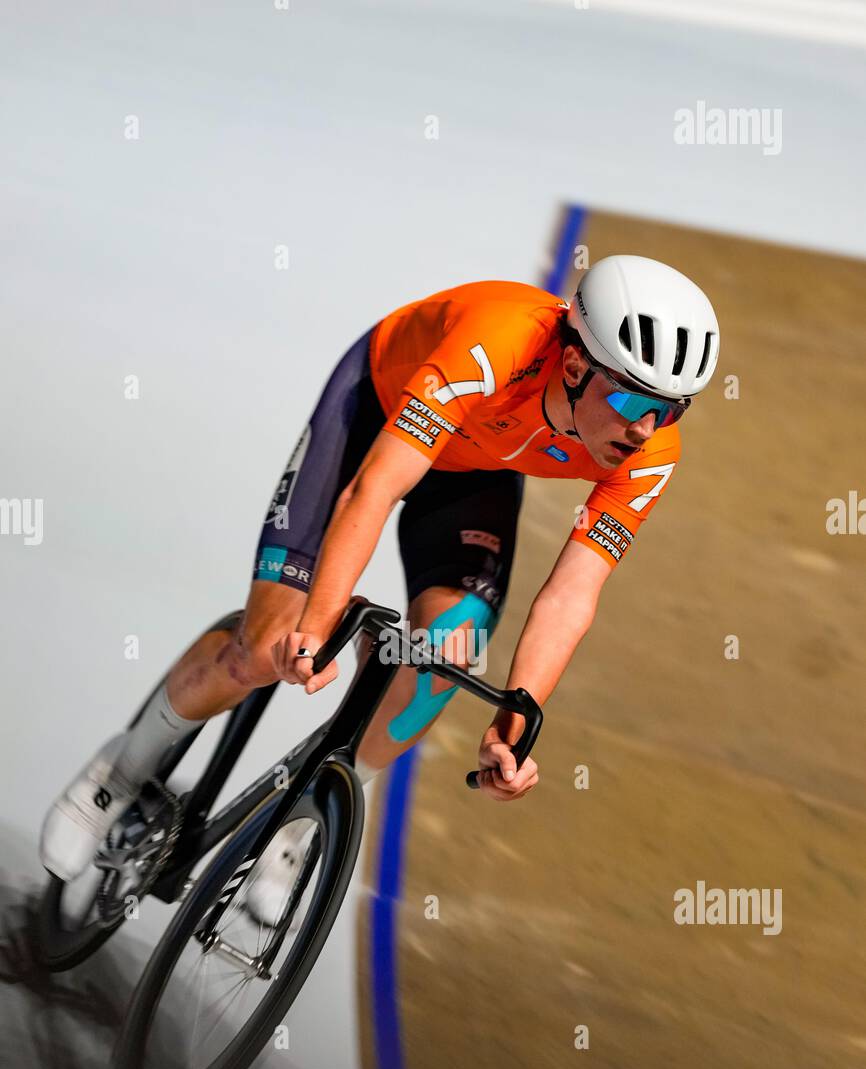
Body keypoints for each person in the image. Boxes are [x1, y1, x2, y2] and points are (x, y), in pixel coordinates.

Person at [40, 254, 720, 907]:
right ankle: (119, 772)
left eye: (671, 408)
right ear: (572, 364)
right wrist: (312, 628)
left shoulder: (651, 453)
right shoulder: (493, 346)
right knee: (265, 647)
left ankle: (303, 827)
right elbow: (373, 487)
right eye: (632, 398)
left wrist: (513, 725)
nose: (645, 428)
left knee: (448, 651)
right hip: (376, 413)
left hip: (474, 468)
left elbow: (575, 591)